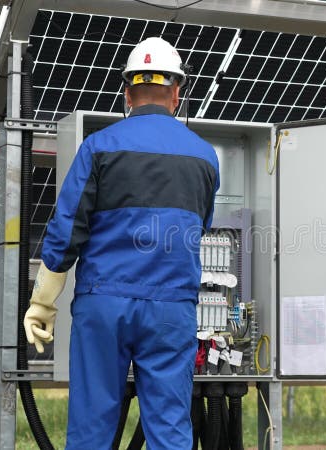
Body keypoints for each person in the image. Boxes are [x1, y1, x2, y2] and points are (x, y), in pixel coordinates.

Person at [23, 37, 219, 449]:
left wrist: (43, 301)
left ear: (127, 93)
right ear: (177, 93)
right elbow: (200, 226)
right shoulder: (205, 157)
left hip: (104, 305)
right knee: (168, 428)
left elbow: (66, 227)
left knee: (92, 427)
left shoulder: (98, 147)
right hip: (170, 309)